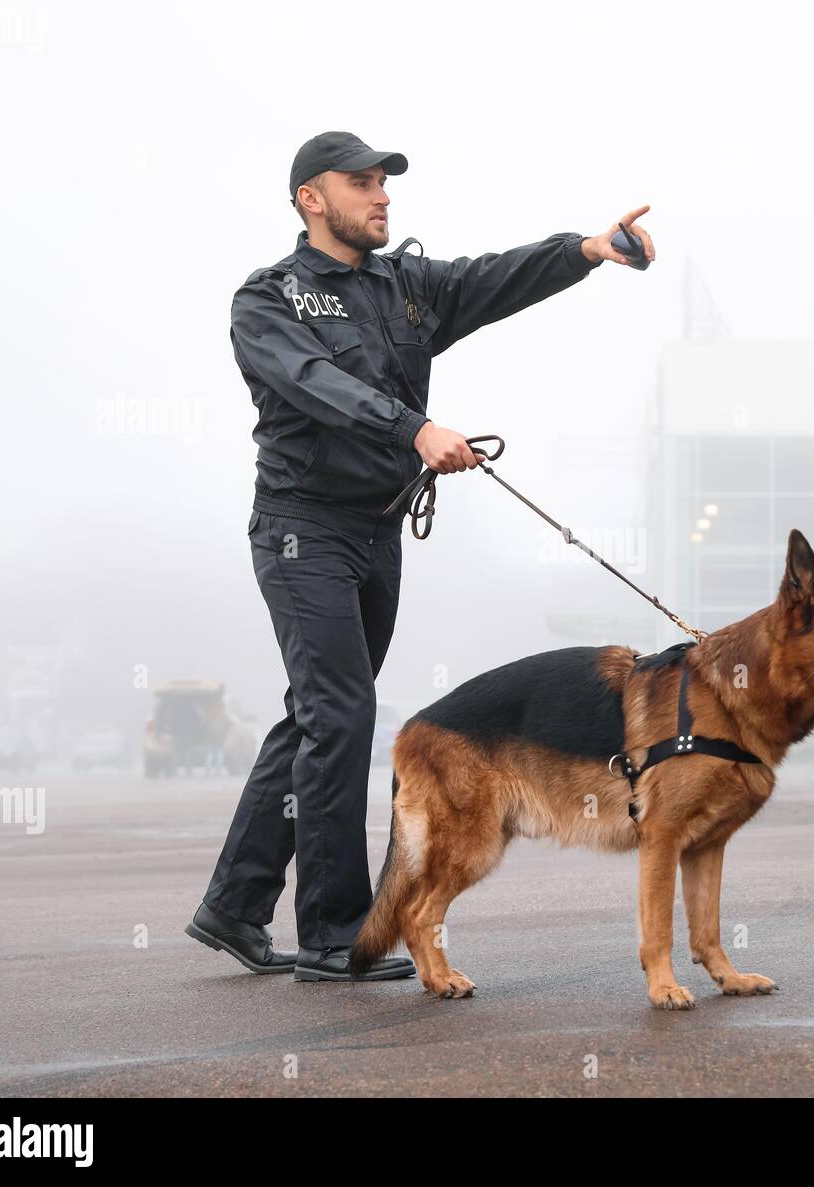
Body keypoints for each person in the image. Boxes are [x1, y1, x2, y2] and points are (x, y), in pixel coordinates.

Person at [186, 130, 655, 981]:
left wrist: (586, 250)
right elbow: (316, 383)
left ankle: (233, 903)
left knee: (315, 712)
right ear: (310, 199)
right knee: (341, 714)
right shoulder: (268, 301)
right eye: (360, 183)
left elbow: (492, 278)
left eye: (383, 182)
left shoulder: (406, 285)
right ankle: (336, 932)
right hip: (302, 530)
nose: (381, 196)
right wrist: (414, 428)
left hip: (379, 527)